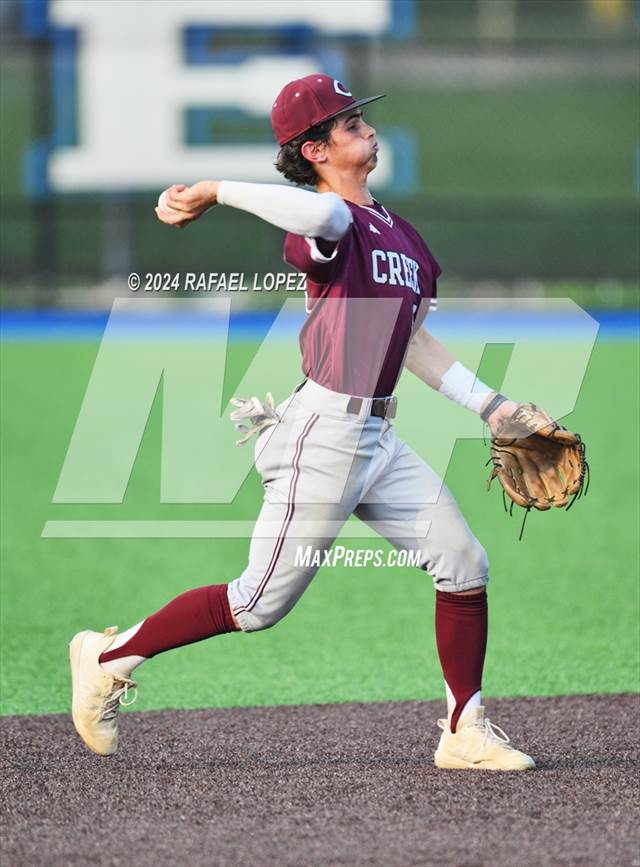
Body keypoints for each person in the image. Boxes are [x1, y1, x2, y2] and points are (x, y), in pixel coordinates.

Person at [70, 74, 535, 771]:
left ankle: (464, 729)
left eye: (358, 119)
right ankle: (105, 656)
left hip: (378, 436)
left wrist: (495, 407)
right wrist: (215, 188)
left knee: (464, 561)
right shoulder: (326, 222)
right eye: (347, 124)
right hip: (323, 434)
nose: (364, 128)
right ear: (314, 150)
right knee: (256, 603)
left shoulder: (403, 237)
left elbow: (412, 340)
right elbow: (323, 222)